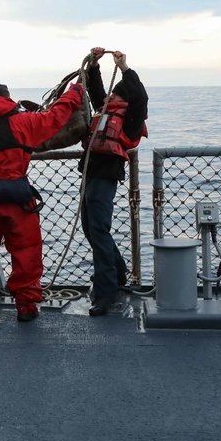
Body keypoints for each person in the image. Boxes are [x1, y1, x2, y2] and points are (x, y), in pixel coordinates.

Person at [0, 82, 84, 321]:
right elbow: (55, 118)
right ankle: (25, 306)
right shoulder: (25, 122)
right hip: (17, 192)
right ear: (8, 98)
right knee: (26, 250)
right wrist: (74, 93)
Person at [82, 49, 148, 316]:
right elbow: (96, 91)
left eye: (114, 94)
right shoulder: (107, 108)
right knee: (91, 228)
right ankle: (118, 273)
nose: (108, 97)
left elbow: (141, 95)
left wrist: (124, 67)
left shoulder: (131, 116)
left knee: (98, 230)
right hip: (91, 174)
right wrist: (95, 65)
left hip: (105, 175)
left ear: (123, 96)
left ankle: (106, 291)